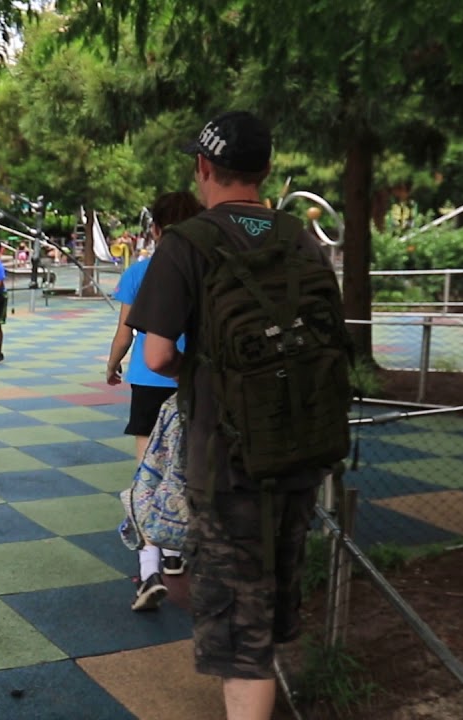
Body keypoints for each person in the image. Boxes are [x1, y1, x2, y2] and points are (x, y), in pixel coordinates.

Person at [128, 111, 347, 720]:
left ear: (203, 168)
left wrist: (218, 377)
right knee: (269, 606)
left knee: (237, 638)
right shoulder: (298, 237)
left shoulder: (187, 244)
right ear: (266, 170)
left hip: (226, 461)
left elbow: (159, 354)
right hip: (302, 444)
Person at [106, 191, 204, 611]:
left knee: (147, 476)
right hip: (192, 379)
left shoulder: (140, 272)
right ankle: (177, 551)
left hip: (148, 379)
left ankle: (148, 572)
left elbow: (126, 331)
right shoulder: (206, 271)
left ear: (156, 229)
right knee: (190, 470)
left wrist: (112, 365)